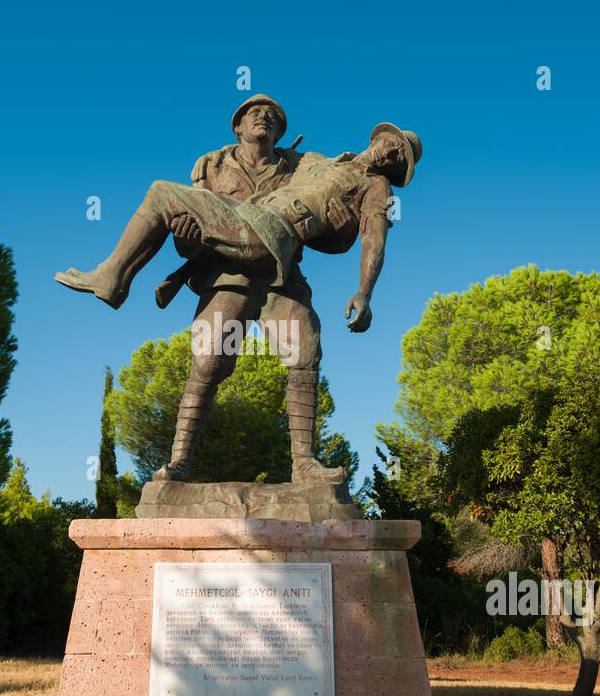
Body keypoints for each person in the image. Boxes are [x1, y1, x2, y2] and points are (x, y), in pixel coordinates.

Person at [54, 114, 421, 483]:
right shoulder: (314, 160)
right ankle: (179, 463)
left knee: (304, 347)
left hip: (273, 253)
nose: (389, 151)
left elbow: (372, 236)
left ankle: (305, 462)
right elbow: (201, 228)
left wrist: (363, 288)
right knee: (209, 359)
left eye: (398, 155)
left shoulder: (375, 187)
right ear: (376, 139)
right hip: (234, 267)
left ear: (397, 168)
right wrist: (210, 166)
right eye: (390, 142)